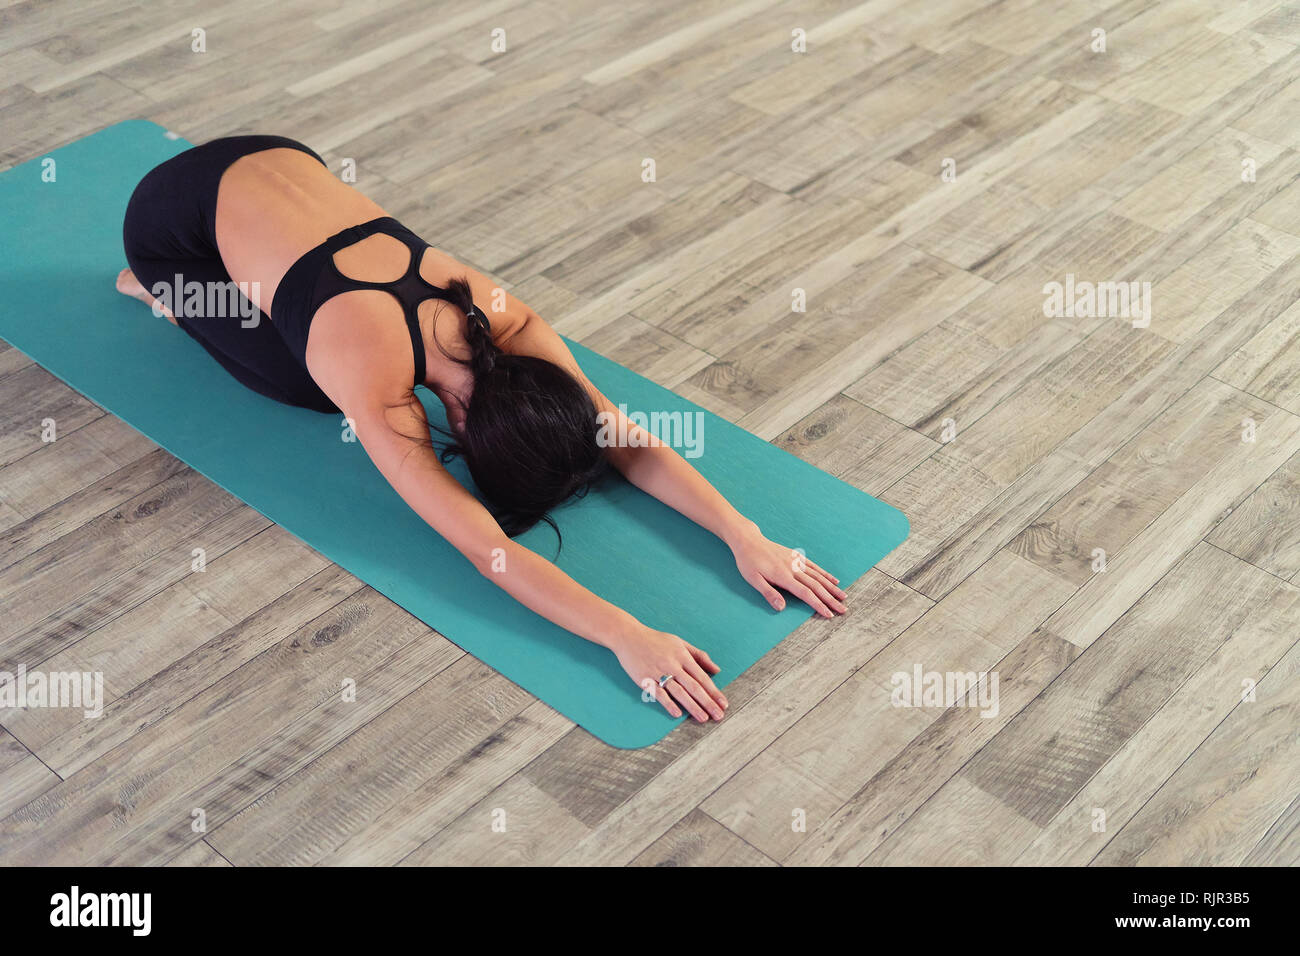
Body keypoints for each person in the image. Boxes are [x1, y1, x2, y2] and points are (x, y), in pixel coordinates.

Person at [118, 135, 848, 723]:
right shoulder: (371, 382)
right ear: (458, 428)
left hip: (273, 153)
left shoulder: (504, 317)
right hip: (167, 226)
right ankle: (166, 292)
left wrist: (744, 534)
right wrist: (626, 635)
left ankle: (225, 285)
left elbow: (618, 432)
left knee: (308, 348)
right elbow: (487, 548)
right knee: (302, 387)